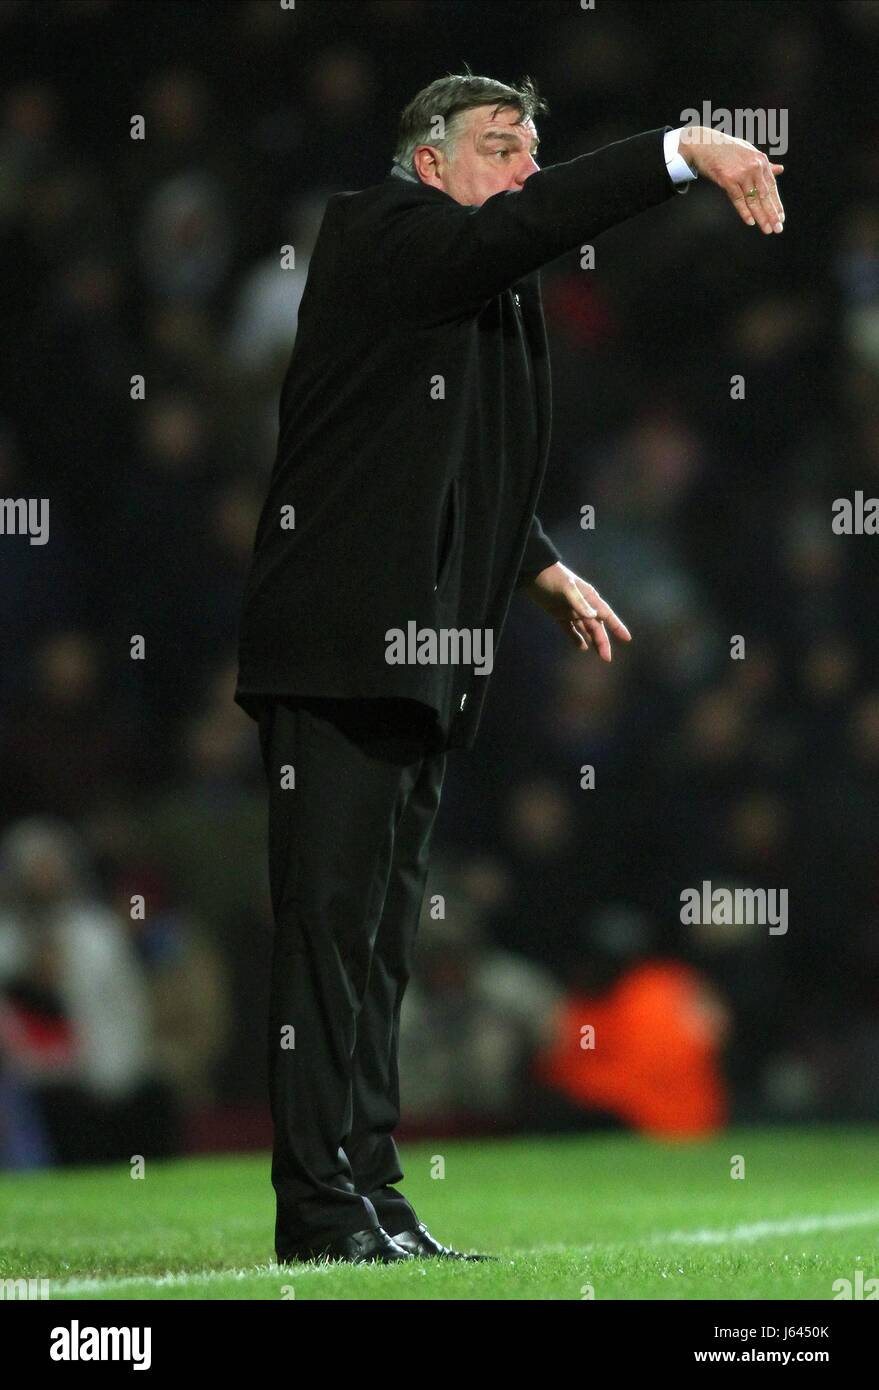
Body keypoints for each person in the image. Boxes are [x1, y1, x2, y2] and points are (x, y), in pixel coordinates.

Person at [234, 72, 785, 1265]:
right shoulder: (378, 227)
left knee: (379, 941)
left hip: (417, 653)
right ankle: (319, 1208)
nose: (524, 171)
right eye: (499, 147)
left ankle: (368, 1194)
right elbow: (527, 230)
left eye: (534, 150)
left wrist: (535, 565)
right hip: (339, 645)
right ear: (427, 161)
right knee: (330, 932)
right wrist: (679, 148)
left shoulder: (471, 287)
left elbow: (441, 451)